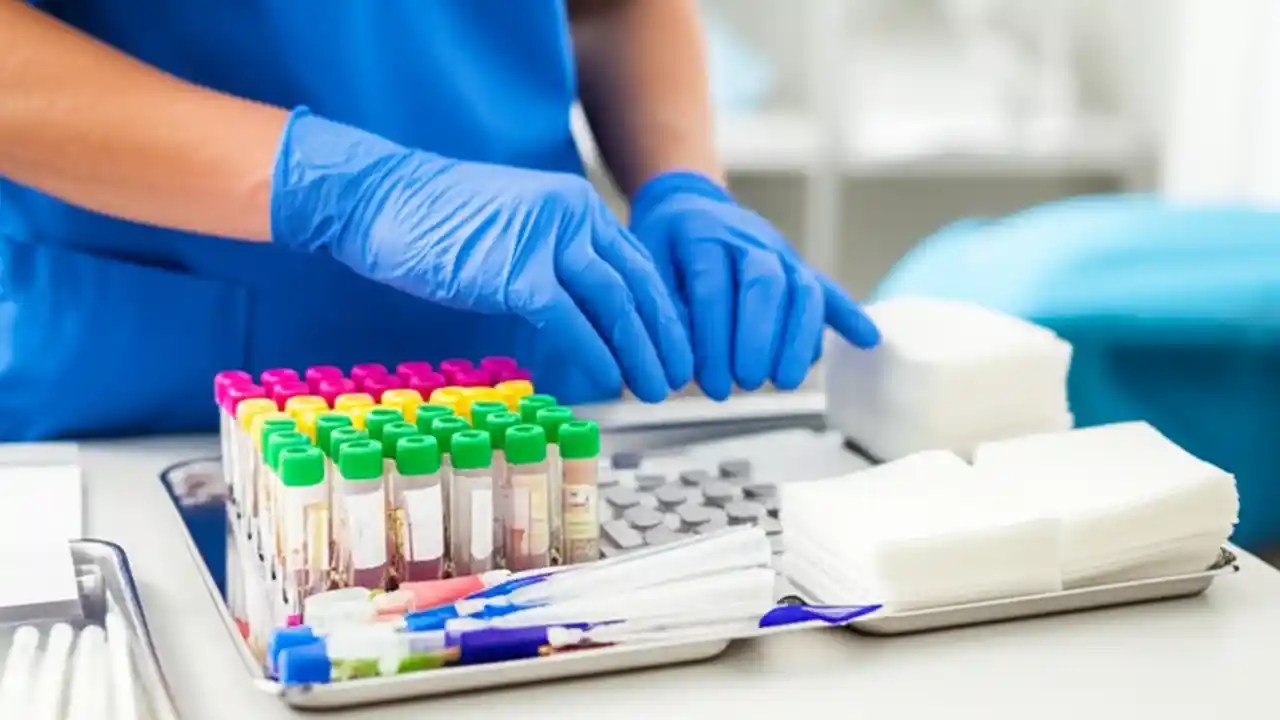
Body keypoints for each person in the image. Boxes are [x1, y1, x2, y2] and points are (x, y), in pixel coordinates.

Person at [0, 0, 879, 440]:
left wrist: (683, 184)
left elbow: (610, 8)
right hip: (159, 400)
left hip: (529, 384)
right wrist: (341, 187)